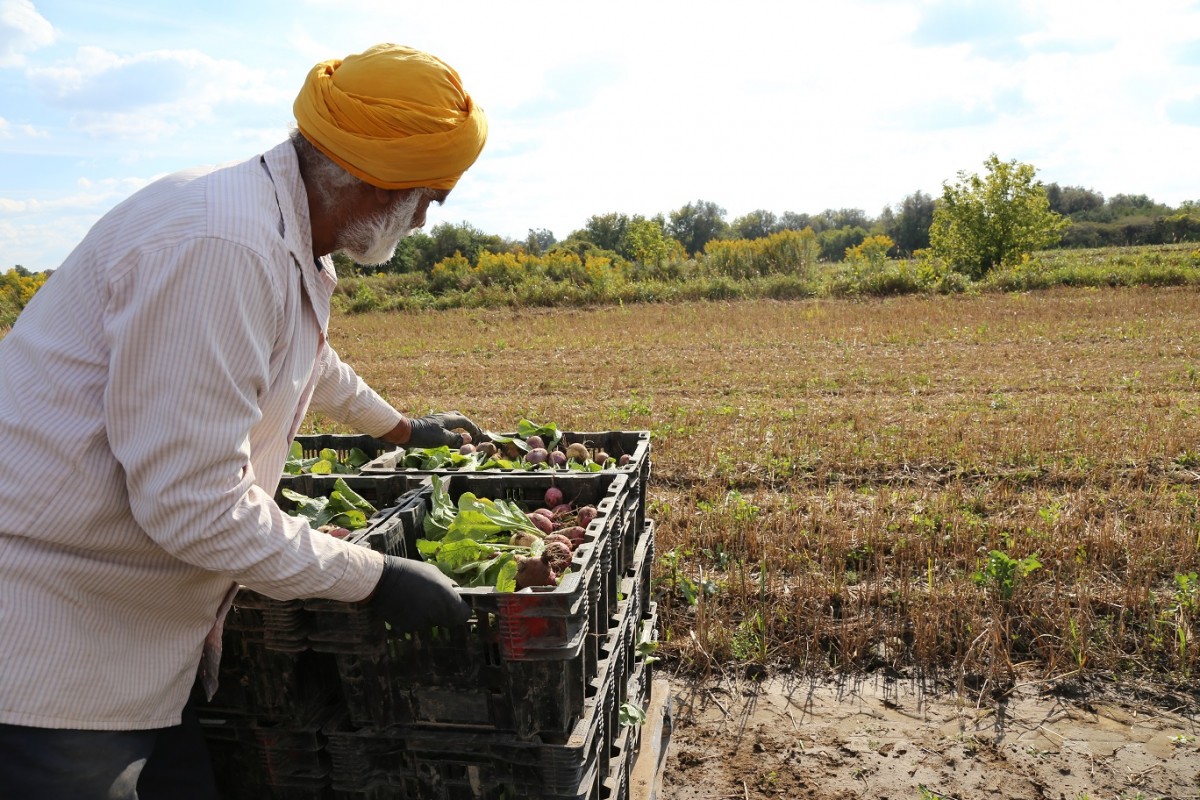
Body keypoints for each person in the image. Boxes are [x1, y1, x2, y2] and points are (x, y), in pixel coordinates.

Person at [0, 43, 488, 799]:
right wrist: (373, 577)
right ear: (370, 180)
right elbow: (191, 503)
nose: (425, 219)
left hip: (143, 642)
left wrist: (402, 429)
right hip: (59, 648)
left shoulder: (280, 232)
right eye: (428, 197)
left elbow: (306, 362)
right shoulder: (222, 244)